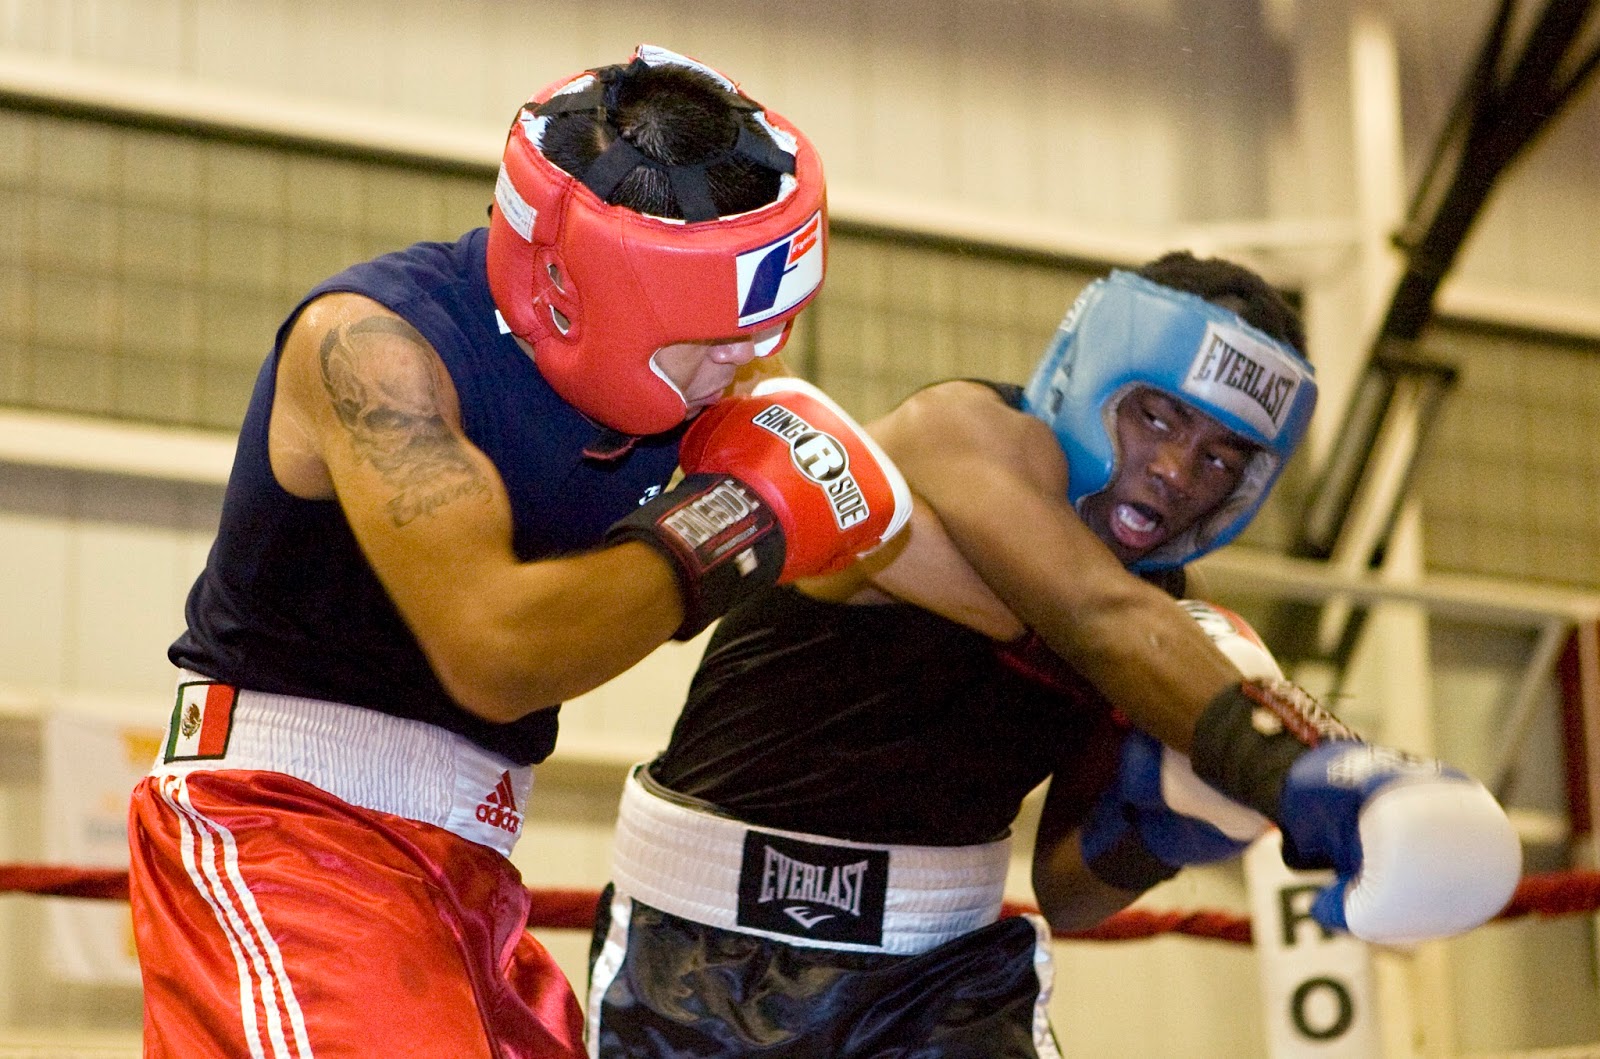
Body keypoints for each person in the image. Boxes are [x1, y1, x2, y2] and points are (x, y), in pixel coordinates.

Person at [124, 45, 912, 1059]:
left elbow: (847, 550)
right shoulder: (374, 350)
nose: (749, 356)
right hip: (284, 834)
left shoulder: (700, 384)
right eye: (711, 331)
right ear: (570, 290)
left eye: (768, 322)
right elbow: (496, 654)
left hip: (472, 865)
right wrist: (734, 518)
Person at [586, 255, 1522, 1057]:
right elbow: (1088, 615)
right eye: (1156, 417)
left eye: (1221, 457)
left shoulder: (1164, 632)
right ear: (1098, 373)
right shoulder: (961, 433)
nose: (1175, 471)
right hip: (701, 951)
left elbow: (1067, 893)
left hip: (942, 973)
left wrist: (1176, 820)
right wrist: (1305, 758)